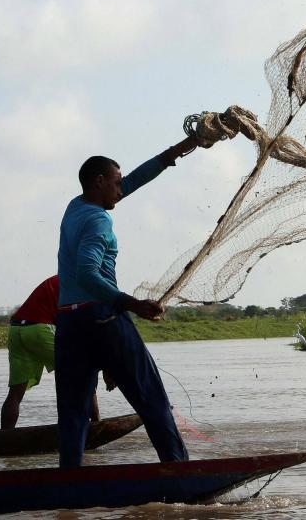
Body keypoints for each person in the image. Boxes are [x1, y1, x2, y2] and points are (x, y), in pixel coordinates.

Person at [55, 130, 219, 467]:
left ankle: (67, 486)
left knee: (73, 413)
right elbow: (88, 273)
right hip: (102, 318)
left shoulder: (76, 207)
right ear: (99, 182)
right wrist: (133, 304)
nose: (121, 188)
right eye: (116, 183)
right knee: (153, 402)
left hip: (69, 324)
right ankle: (178, 472)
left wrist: (185, 146)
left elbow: (135, 180)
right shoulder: (99, 220)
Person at [0, 275, 107, 429]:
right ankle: (96, 425)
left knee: (15, 393)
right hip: (40, 327)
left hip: (16, 328)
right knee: (83, 374)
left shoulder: (62, 278)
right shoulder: (84, 284)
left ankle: (4, 439)